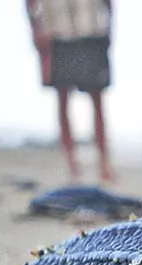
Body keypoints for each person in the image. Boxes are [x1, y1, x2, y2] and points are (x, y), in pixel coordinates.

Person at [26, 0, 114, 182]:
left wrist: (110, 26)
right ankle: (72, 164)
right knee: (63, 97)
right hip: (58, 30)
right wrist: (35, 29)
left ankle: (103, 164)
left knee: (96, 98)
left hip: (92, 27)